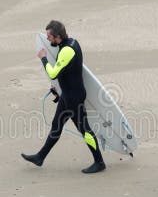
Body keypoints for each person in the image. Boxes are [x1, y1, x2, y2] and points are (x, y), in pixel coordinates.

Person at [22, 20, 106, 174]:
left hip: (74, 98)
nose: (48, 39)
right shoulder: (72, 43)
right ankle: (40, 157)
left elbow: (53, 73)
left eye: (49, 36)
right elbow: (69, 71)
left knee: (85, 130)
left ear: (57, 36)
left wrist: (43, 58)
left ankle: (99, 162)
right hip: (68, 96)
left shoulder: (67, 50)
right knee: (56, 126)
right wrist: (58, 88)